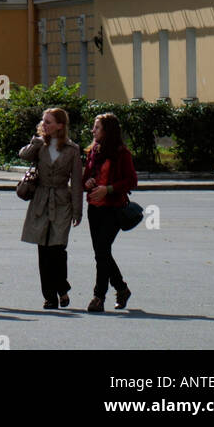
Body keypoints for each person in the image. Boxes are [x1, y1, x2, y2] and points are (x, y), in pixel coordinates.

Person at [18, 106, 83, 309]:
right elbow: (23, 156)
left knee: (57, 249)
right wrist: (36, 142)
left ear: (60, 125)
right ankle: (50, 296)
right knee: (43, 250)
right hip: (41, 200)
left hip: (62, 201)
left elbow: (77, 182)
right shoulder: (40, 145)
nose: (44, 125)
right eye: (43, 121)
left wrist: (77, 210)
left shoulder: (72, 150)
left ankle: (62, 288)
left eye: (48, 122)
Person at [82, 112, 136, 312]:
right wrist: (87, 183)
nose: (93, 130)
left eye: (97, 127)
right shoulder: (93, 151)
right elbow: (84, 179)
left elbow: (131, 181)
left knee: (102, 251)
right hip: (94, 208)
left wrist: (109, 189)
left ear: (107, 131)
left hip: (113, 209)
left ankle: (98, 297)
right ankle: (121, 288)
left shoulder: (122, 153)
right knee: (101, 253)